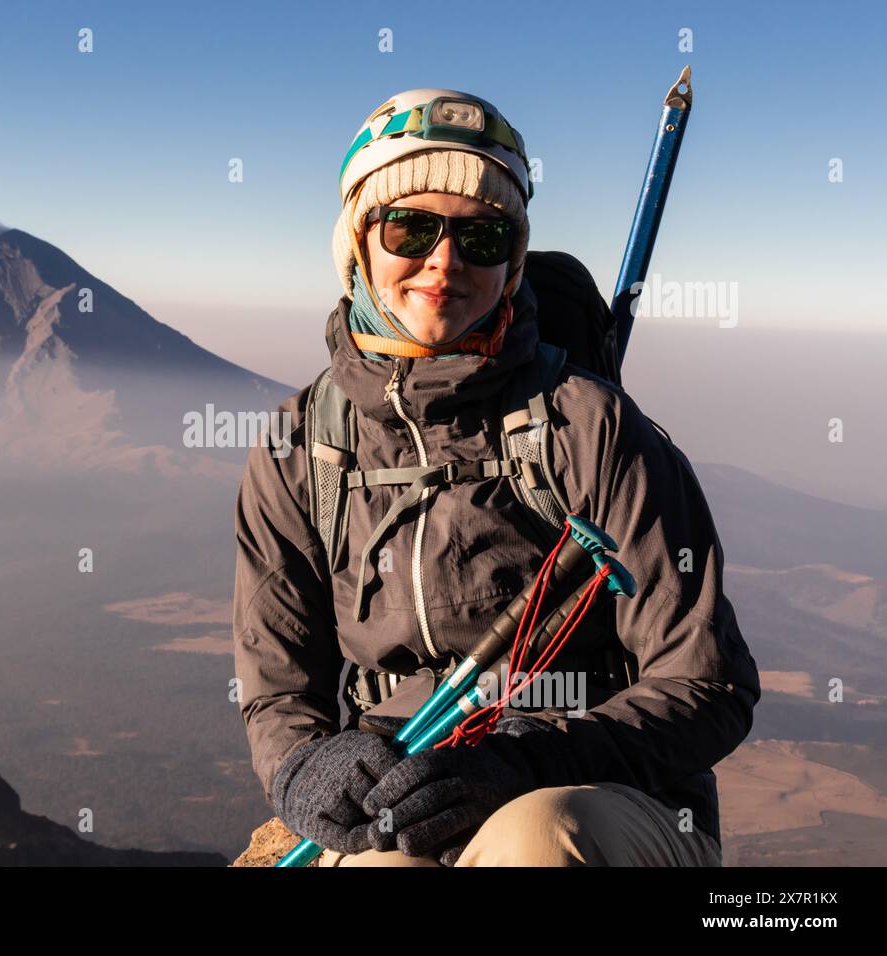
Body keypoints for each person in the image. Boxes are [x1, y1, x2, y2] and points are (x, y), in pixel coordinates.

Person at [231, 88, 761, 866]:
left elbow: (707, 685)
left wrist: (524, 763)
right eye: (411, 226)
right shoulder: (303, 446)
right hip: (402, 784)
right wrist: (305, 764)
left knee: (534, 842)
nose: (445, 262)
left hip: (597, 794)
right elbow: (279, 687)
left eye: (482, 236)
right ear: (358, 241)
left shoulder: (592, 428)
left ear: (512, 261)